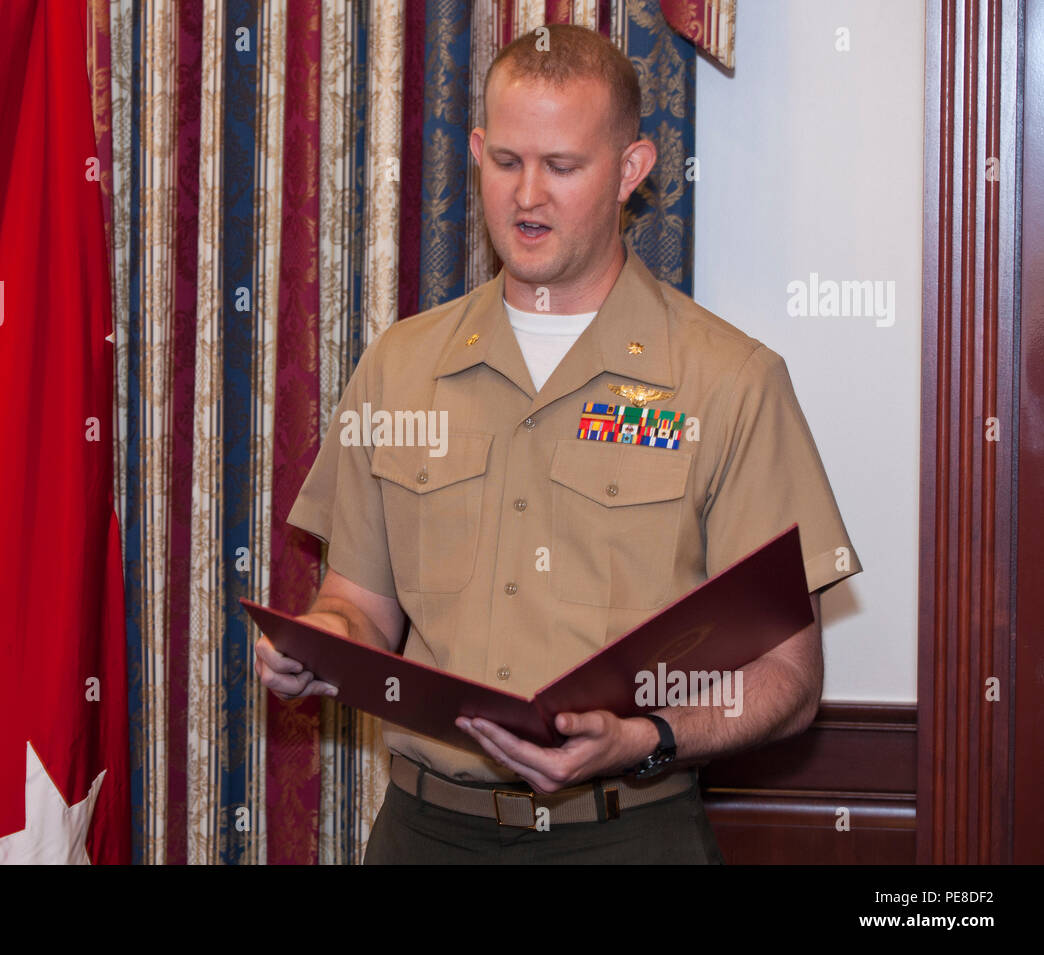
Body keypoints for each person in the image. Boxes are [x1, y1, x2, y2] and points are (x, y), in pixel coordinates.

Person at [254, 23, 861, 864]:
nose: (527, 195)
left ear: (631, 170)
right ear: (475, 152)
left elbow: (788, 679)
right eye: (505, 161)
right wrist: (322, 644)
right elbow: (360, 604)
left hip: (627, 834)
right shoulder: (401, 365)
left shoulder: (730, 382)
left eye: (563, 167)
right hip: (424, 834)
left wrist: (643, 736)